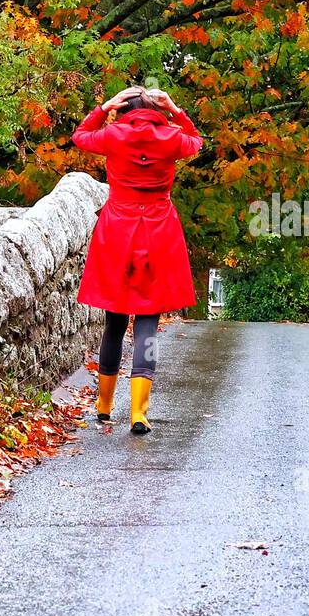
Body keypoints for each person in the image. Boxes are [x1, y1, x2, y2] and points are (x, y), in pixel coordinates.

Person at [72, 85, 202, 434]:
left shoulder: (113, 136)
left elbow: (81, 136)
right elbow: (196, 141)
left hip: (118, 230)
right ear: (156, 109)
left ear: (125, 108)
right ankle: (139, 414)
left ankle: (103, 406)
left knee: (115, 319)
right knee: (147, 320)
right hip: (158, 230)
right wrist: (175, 108)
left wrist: (104, 106)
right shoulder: (171, 137)